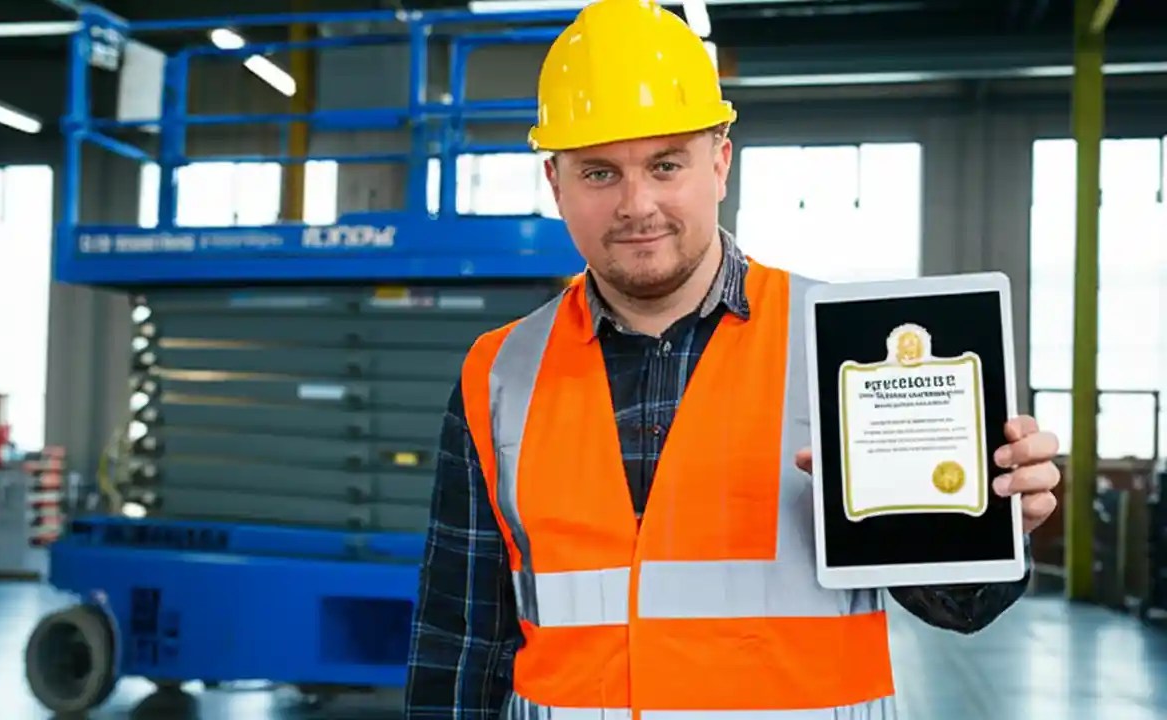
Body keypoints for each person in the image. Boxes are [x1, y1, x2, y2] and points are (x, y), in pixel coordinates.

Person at [404, 0, 1061, 717]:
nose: (637, 204)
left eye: (664, 164)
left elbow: (957, 603)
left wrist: (995, 519)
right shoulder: (500, 372)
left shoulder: (845, 347)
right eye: (599, 173)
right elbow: (460, 639)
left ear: (719, 162)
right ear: (555, 183)